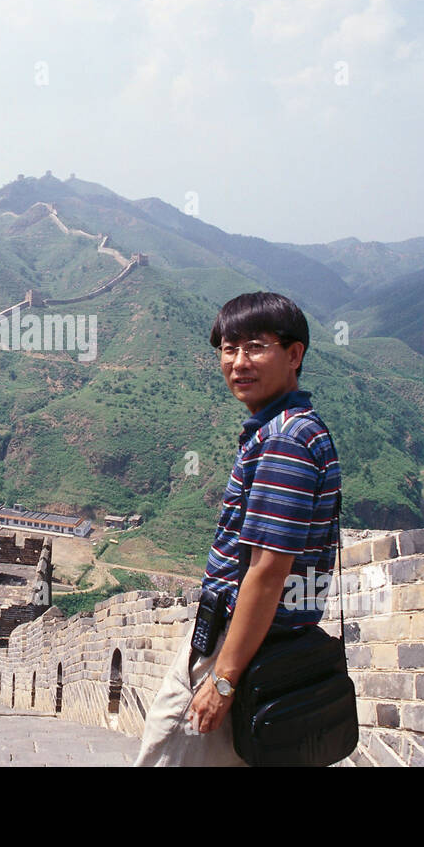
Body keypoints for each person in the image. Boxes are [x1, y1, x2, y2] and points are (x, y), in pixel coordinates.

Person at [135, 292, 341, 766]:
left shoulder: (285, 442)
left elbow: (268, 571)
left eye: (254, 347)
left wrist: (223, 679)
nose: (238, 362)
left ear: (294, 355)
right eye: (229, 349)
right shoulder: (294, 428)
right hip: (266, 646)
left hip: (237, 648)